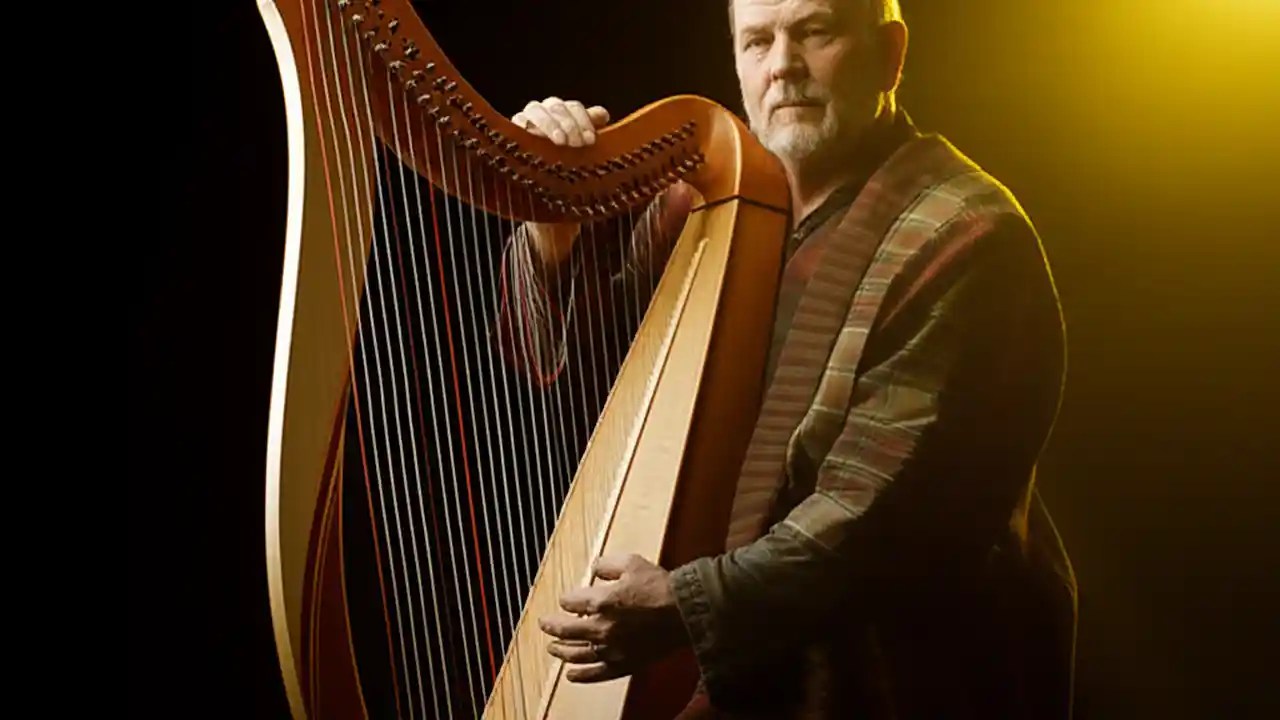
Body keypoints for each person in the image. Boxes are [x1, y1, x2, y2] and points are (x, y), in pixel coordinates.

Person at [495, 1, 1078, 717]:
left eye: (815, 32)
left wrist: (684, 602)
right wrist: (550, 238)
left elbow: (881, 520)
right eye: (758, 41)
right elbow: (581, 370)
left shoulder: (966, 238)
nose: (783, 67)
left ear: (891, 54)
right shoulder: (704, 198)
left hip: (894, 684)